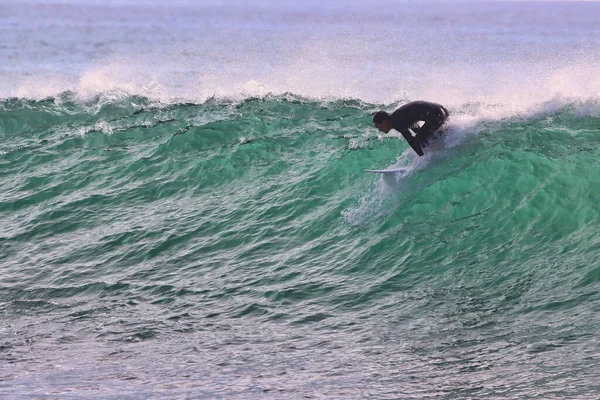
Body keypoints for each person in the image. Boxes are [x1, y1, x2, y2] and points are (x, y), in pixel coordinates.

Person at [373, 101, 449, 156]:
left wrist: (422, 158)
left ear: (384, 122)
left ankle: (431, 155)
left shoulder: (396, 122)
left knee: (419, 140)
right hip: (442, 111)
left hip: (437, 115)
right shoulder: (398, 117)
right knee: (422, 137)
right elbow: (416, 129)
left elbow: (412, 141)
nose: (380, 130)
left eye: (378, 126)